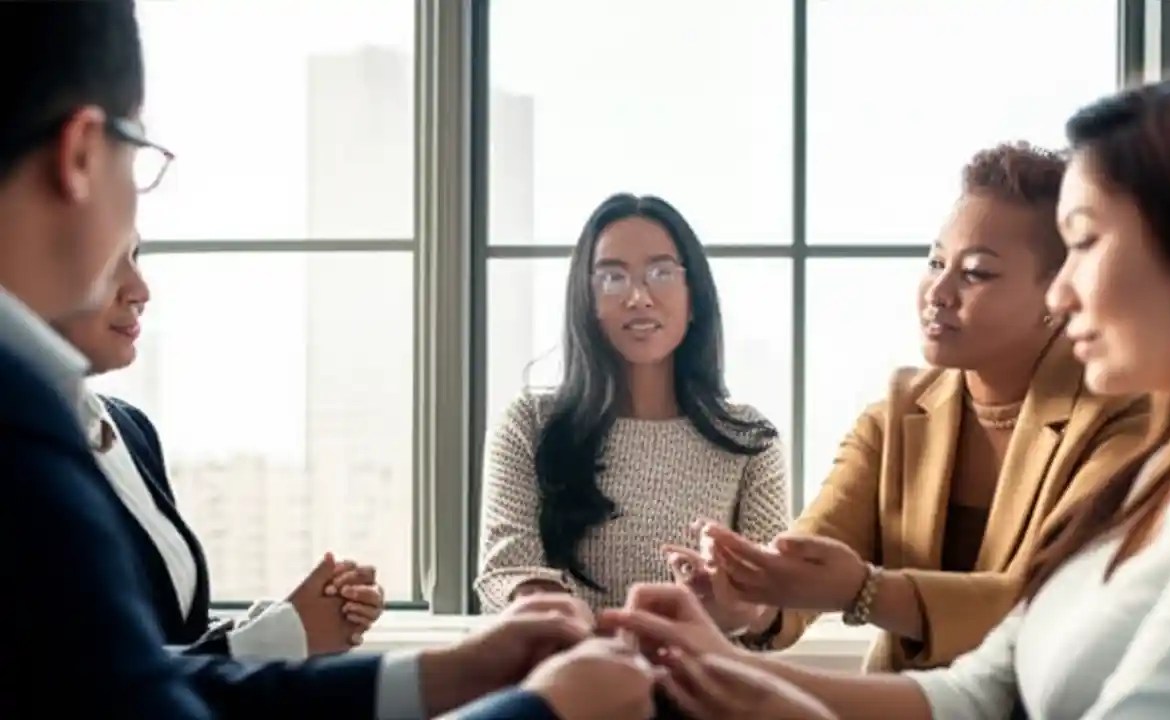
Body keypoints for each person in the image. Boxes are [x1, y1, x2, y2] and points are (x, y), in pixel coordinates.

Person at [0, 3, 657, 718]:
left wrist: (449, 672)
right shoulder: (20, 416)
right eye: (139, 156)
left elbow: (119, 682)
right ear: (82, 155)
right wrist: (542, 711)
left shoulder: (48, 405)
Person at [607, 65, 1170, 719]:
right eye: (935, 263)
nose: (1064, 290)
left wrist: (865, 593)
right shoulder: (1158, 478)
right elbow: (980, 690)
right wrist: (725, 643)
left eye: (1086, 242)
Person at [680, 142, 1151, 671]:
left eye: (975, 273)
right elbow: (812, 551)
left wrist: (867, 591)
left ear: (1059, 293)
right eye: (935, 263)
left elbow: (1048, 610)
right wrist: (749, 599)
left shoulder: (1122, 418)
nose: (938, 291)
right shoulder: (896, 416)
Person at [51, 233, 386, 659]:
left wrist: (290, 620)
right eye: (108, 260)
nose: (140, 290)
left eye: (135, 257)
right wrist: (283, 637)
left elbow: (170, 638)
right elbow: (87, 686)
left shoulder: (130, 429)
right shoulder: (22, 450)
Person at [476, 192, 789, 613]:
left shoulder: (750, 440)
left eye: (660, 273)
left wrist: (728, 605)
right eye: (613, 277)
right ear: (585, 301)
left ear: (693, 297)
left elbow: (769, 603)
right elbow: (506, 569)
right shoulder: (529, 425)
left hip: (698, 672)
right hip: (563, 667)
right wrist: (561, 618)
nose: (638, 297)